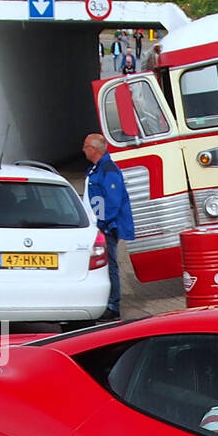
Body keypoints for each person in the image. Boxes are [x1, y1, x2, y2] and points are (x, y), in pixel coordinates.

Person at [82, 133, 135, 321]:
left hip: (105, 227)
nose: (83, 150)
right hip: (98, 226)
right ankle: (106, 303)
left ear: (94, 149)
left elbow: (112, 201)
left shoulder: (107, 169)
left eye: (86, 146)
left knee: (110, 265)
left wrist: (103, 224)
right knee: (103, 265)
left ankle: (113, 306)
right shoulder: (97, 169)